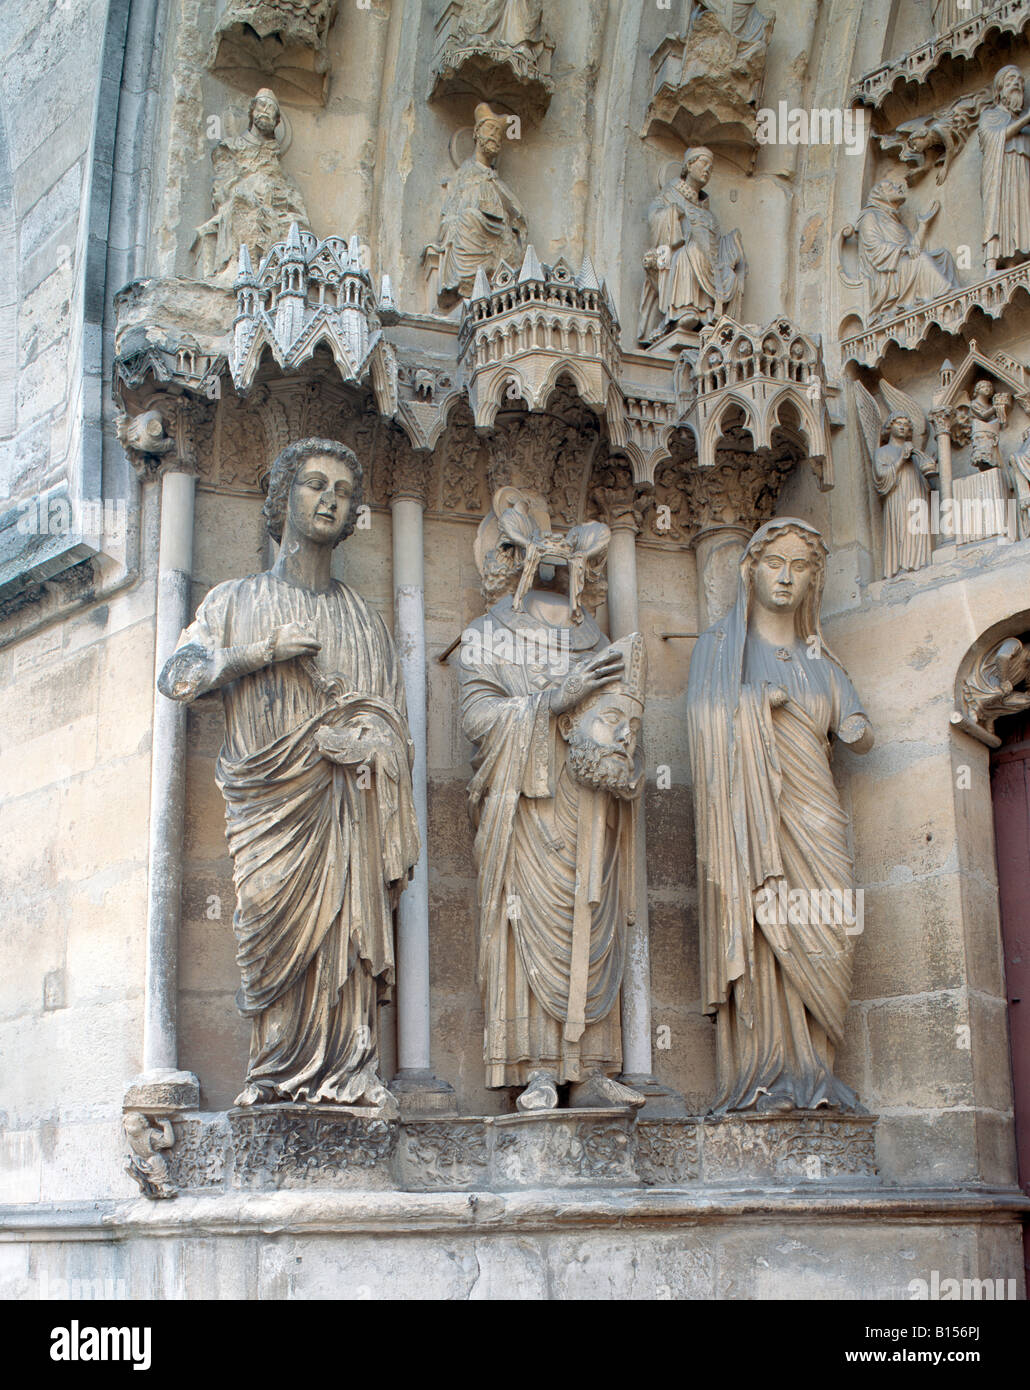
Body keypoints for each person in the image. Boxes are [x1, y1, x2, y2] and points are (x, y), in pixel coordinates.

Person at [158, 439, 419, 1112]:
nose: (329, 497)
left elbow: (393, 731)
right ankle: (276, 1072)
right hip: (269, 811)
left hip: (344, 815)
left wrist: (364, 749)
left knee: (344, 947)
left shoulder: (364, 620)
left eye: (342, 489)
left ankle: (350, 1070)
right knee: (270, 932)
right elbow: (178, 676)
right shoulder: (234, 599)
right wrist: (262, 652)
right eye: (313, 483)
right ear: (282, 500)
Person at [456, 490, 645, 1111]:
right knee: (523, 925)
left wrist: (616, 729)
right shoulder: (485, 636)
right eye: (544, 567)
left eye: (571, 572)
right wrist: (551, 703)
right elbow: (477, 717)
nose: (559, 581)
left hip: (588, 805)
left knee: (591, 916)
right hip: (525, 806)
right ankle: (534, 1066)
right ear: (514, 567)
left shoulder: (594, 642)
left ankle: (589, 1066)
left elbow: (618, 716)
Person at [685, 518, 874, 1114]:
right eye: (776, 564)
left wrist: (856, 726)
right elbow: (702, 721)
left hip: (816, 816)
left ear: (814, 579)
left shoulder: (822, 658)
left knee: (829, 925)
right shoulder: (722, 649)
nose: (787, 577)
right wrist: (749, 706)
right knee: (766, 923)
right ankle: (769, 1070)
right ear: (752, 570)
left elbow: (858, 729)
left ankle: (817, 1069)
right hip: (753, 824)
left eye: (800, 567)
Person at [194, 88, 310, 283]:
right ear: (252, 111)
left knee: (295, 225)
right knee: (243, 206)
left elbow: (285, 193)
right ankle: (240, 267)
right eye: (261, 106)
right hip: (242, 204)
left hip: (272, 210)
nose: (265, 111)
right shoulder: (231, 147)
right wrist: (245, 185)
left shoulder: (273, 156)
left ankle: (280, 277)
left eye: (271, 109)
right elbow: (220, 193)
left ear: (277, 120)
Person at [638, 146, 746, 344]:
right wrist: (673, 213)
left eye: (711, 168)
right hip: (680, 254)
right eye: (704, 164)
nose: (708, 170)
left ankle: (709, 314)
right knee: (691, 252)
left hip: (710, 263)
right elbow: (654, 217)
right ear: (689, 165)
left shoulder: (707, 211)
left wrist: (731, 246)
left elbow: (714, 245)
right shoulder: (669, 196)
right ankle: (685, 309)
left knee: (730, 275)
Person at [434, 103, 528, 303]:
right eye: (490, 130)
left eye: (498, 133)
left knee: (508, 239)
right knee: (468, 218)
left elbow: (515, 215)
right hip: (472, 235)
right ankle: (470, 281)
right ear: (477, 133)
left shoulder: (497, 183)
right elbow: (451, 212)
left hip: (498, 236)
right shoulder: (464, 174)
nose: (495, 136)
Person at [853, 178, 958, 321]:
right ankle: (946, 296)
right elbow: (875, 249)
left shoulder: (897, 224)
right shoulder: (870, 217)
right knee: (921, 260)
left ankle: (938, 295)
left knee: (943, 256)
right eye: (891, 187)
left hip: (901, 265)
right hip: (888, 274)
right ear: (880, 196)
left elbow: (914, 249)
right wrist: (903, 250)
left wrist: (923, 226)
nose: (899, 186)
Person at [978, 65, 1030, 274]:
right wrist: (1026, 119)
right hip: (999, 174)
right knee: (998, 214)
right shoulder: (990, 116)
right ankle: (992, 263)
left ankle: (1013, 261)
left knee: (1021, 211)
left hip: (1021, 172)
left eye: (1019, 81)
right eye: (1010, 81)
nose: (1016, 83)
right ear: (999, 91)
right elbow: (992, 138)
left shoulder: (1021, 123)